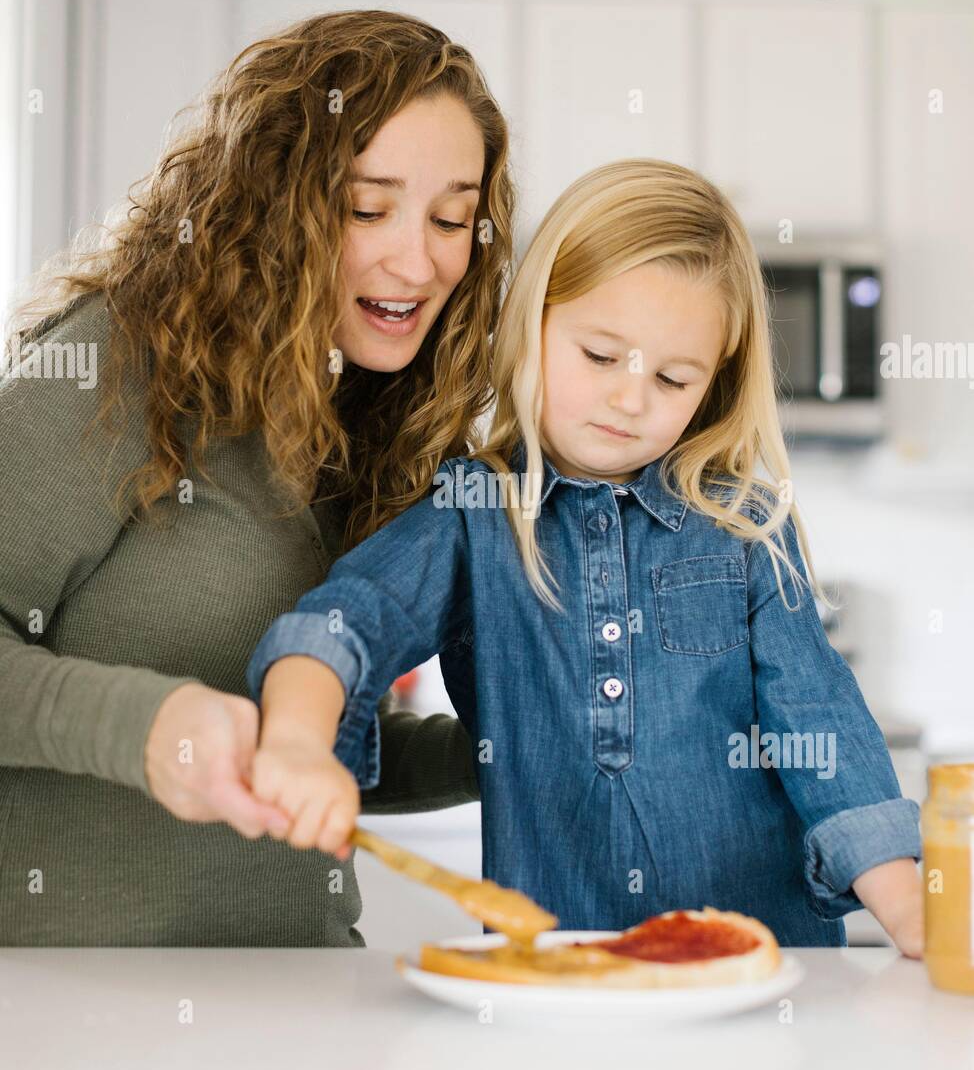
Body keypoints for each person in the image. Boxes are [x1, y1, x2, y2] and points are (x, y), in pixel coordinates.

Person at [245, 158, 923, 953]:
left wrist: (912, 913)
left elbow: (823, 729)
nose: (630, 399)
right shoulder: (476, 515)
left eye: (673, 379)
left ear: (715, 386)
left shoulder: (745, 526)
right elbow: (347, 619)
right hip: (557, 980)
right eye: (600, 356)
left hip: (760, 972)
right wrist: (294, 738)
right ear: (530, 324)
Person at [0, 10, 514, 945]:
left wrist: (490, 756)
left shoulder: (370, 417)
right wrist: (145, 727)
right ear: (275, 203)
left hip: (303, 1004)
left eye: (452, 218)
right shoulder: (112, 368)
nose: (421, 257)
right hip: (74, 1021)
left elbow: (296, 754)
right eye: (368, 208)